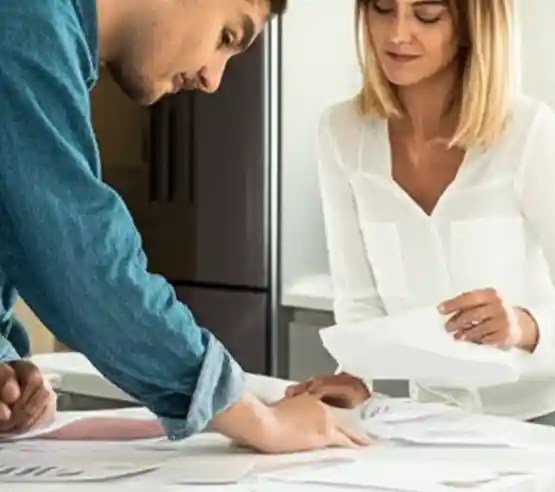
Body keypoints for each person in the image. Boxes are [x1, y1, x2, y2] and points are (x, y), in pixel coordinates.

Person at [0, 0, 367, 450]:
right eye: (227, 37)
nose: (213, 79)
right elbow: (80, 256)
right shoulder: (25, 20)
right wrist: (254, 418)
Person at [287, 0, 555, 429]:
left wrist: (524, 325)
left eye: (426, 15)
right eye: (383, 9)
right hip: (433, 421)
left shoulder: (528, 130)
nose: (397, 34)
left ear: (471, 26)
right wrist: (354, 374)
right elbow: (359, 300)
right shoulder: (341, 132)